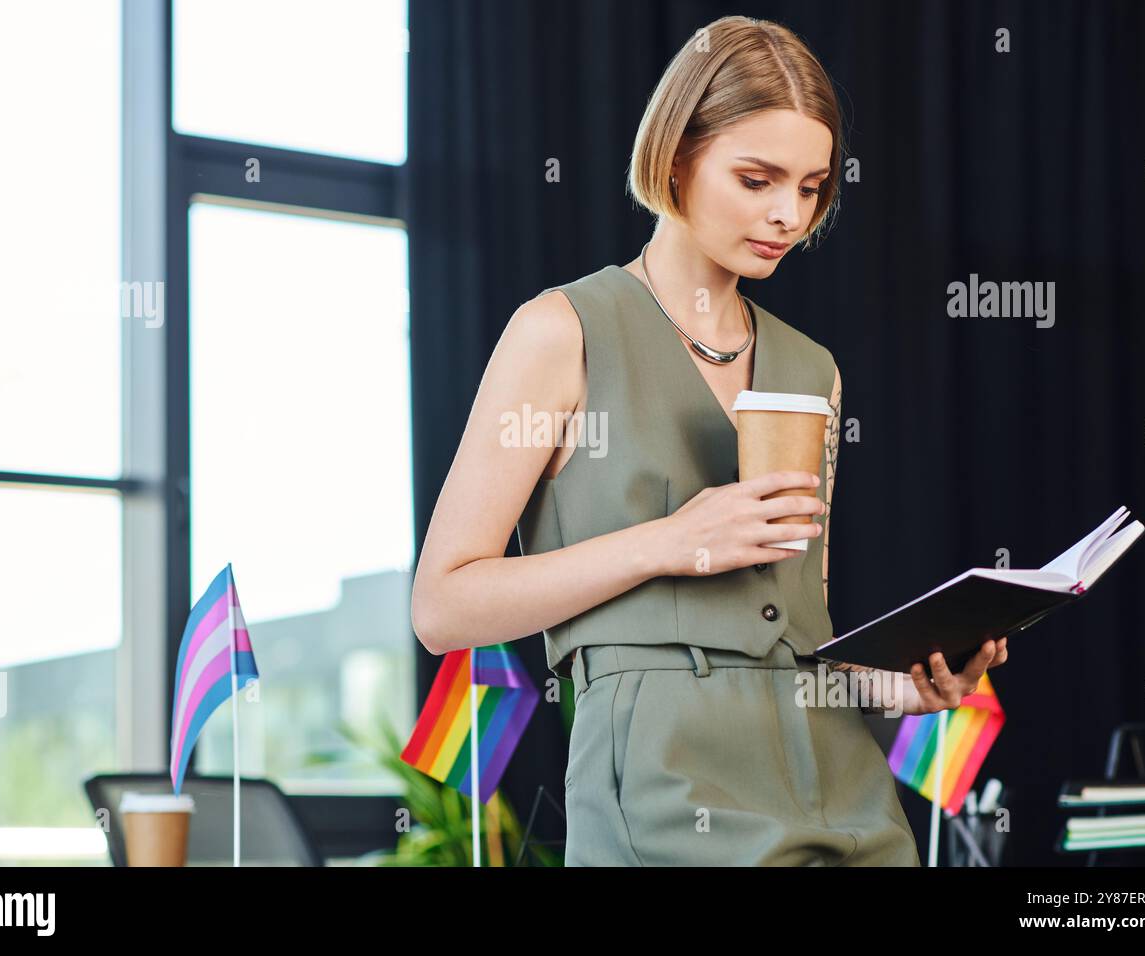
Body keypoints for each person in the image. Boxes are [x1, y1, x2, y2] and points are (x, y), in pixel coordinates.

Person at [411, 14, 1007, 866]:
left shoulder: (814, 370)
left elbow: (787, 641)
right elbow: (442, 606)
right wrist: (671, 543)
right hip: (661, 787)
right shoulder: (563, 331)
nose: (786, 215)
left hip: (842, 788)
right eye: (757, 179)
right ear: (676, 158)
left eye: (810, 187)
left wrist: (903, 688)